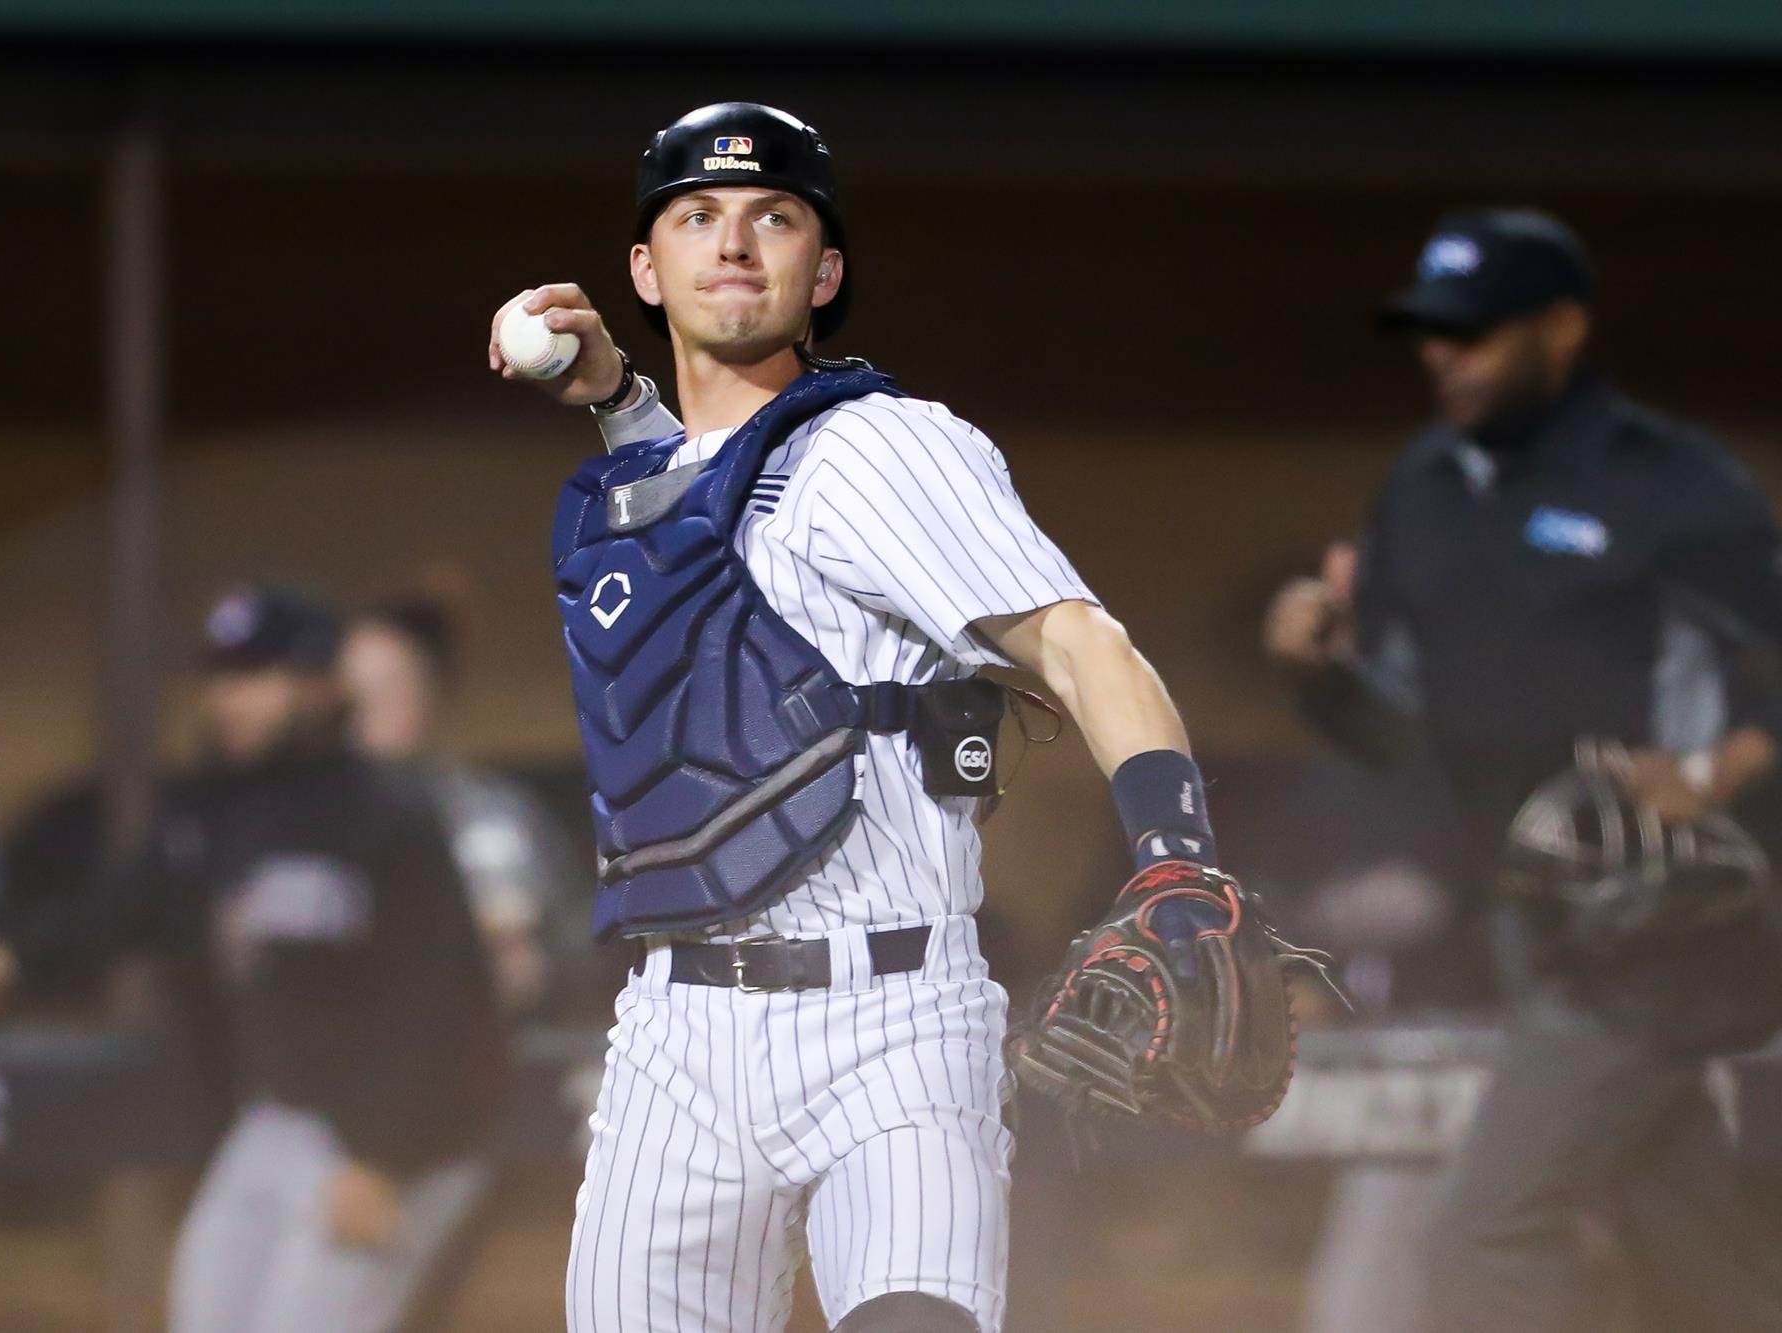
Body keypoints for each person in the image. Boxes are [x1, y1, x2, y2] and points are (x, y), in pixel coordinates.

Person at [490, 102, 1247, 1333]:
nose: (733, 242)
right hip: (673, 1033)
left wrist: (1175, 858)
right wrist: (618, 396)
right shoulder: (648, 477)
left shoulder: (885, 448)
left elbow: (1079, 645)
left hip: (888, 1020)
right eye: (696, 216)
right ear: (645, 268)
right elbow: (720, 521)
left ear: (825, 271)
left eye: (773, 217)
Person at [1263, 209, 1782, 1331]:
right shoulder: (1424, 489)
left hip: (1671, 916)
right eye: (1432, 333)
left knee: (1484, 1231)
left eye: (1476, 332)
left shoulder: (1666, 480)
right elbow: (1397, 738)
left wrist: (1714, 767)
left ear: (1560, 328)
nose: (1444, 355)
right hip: (1535, 922)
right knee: (1686, 1245)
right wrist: (1317, 673)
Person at [2, 583, 507, 1333]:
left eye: (256, 674)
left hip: (410, 1132)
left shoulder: (384, 808)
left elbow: (429, 997)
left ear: (318, 683)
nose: (230, 697)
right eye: (221, 675)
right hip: (282, 1120)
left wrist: (381, 1159)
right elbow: (123, 911)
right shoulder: (214, 808)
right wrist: (11, 961)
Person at [340, 586, 577, 1013]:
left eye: (390, 689)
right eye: (353, 694)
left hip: (478, 1035)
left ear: (429, 696)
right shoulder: (305, 820)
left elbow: (558, 948)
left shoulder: (488, 816)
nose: (366, 713)